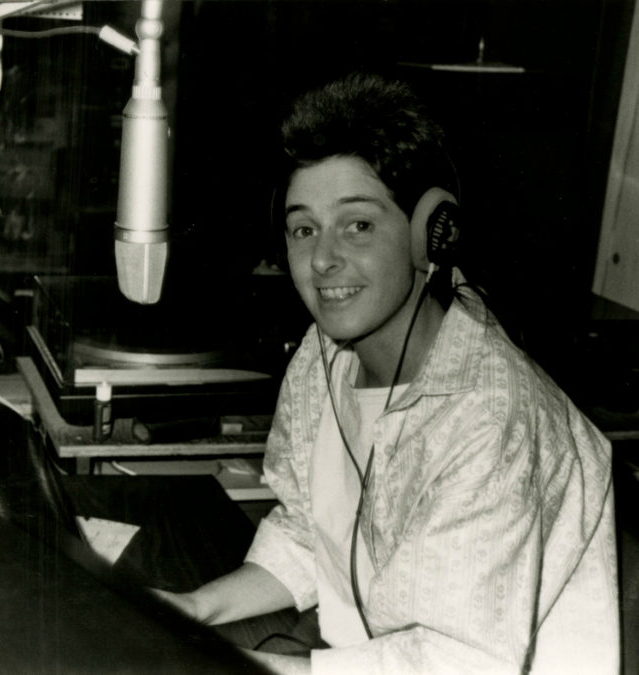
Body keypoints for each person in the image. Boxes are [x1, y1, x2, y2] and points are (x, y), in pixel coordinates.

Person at [154, 73, 620, 674]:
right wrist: (191, 609)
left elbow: (461, 661)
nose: (323, 259)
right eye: (304, 229)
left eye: (359, 225)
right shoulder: (323, 355)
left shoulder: (489, 413)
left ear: (431, 238)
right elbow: (311, 530)